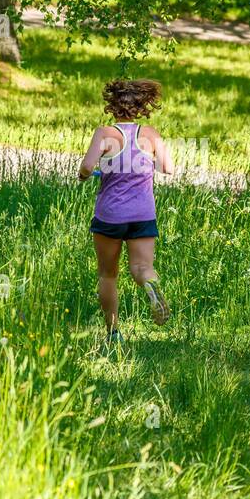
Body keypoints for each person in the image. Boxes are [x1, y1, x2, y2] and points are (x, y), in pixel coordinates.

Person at [78, 78, 174, 344]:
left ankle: (113, 333)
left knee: (108, 274)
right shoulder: (151, 134)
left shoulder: (105, 134)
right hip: (143, 214)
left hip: (110, 215)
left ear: (113, 105)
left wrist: (85, 175)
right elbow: (167, 167)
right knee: (142, 267)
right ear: (143, 106)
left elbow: (87, 167)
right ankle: (150, 284)